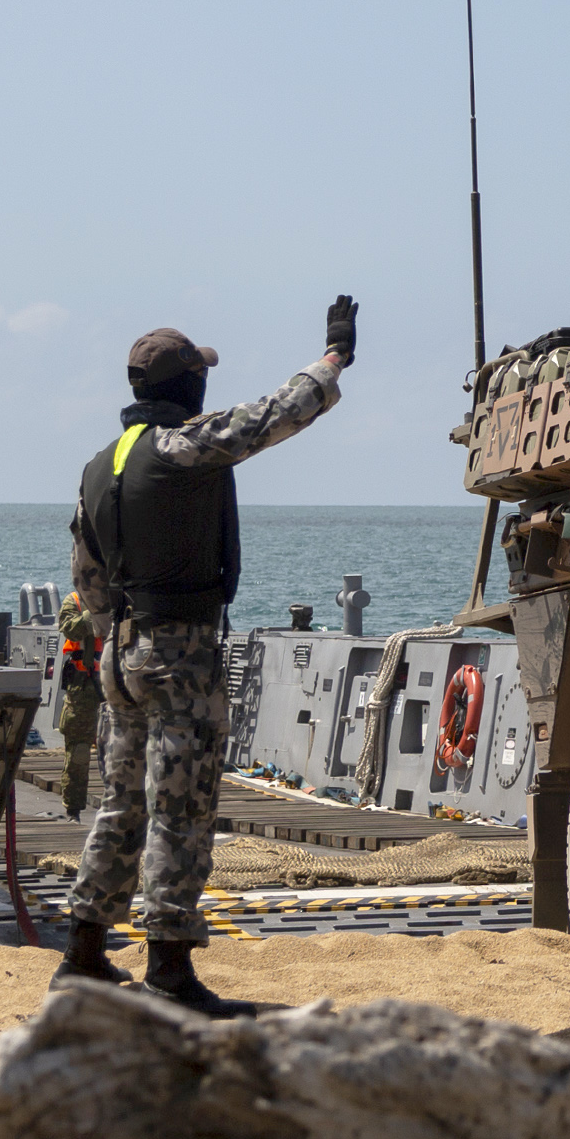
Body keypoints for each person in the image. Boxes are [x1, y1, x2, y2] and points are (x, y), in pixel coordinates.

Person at [56, 299, 359, 1014]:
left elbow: (87, 575)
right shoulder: (181, 446)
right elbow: (270, 417)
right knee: (181, 809)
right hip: (176, 654)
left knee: (121, 805)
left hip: (121, 655)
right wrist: (333, 358)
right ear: (184, 387)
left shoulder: (101, 466)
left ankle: (83, 955)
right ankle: (168, 973)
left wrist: (116, 636)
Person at [53, 589, 104, 817]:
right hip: (83, 687)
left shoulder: (123, 600)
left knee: (122, 750)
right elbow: (70, 630)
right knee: (79, 752)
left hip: (116, 686)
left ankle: (123, 810)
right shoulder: (73, 601)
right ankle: (73, 810)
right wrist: (95, 612)